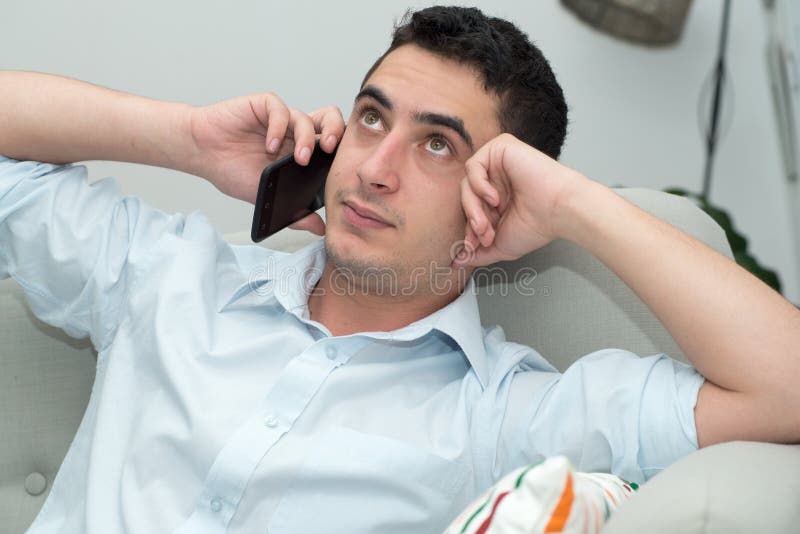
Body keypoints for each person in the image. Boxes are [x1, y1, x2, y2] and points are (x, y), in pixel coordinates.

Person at [1, 5, 798, 534]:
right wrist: (186, 140)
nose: (375, 169)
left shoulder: (504, 416)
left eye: (437, 145)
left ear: (501, 196)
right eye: (372, 118)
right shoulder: (167, 274)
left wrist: (575, 206)